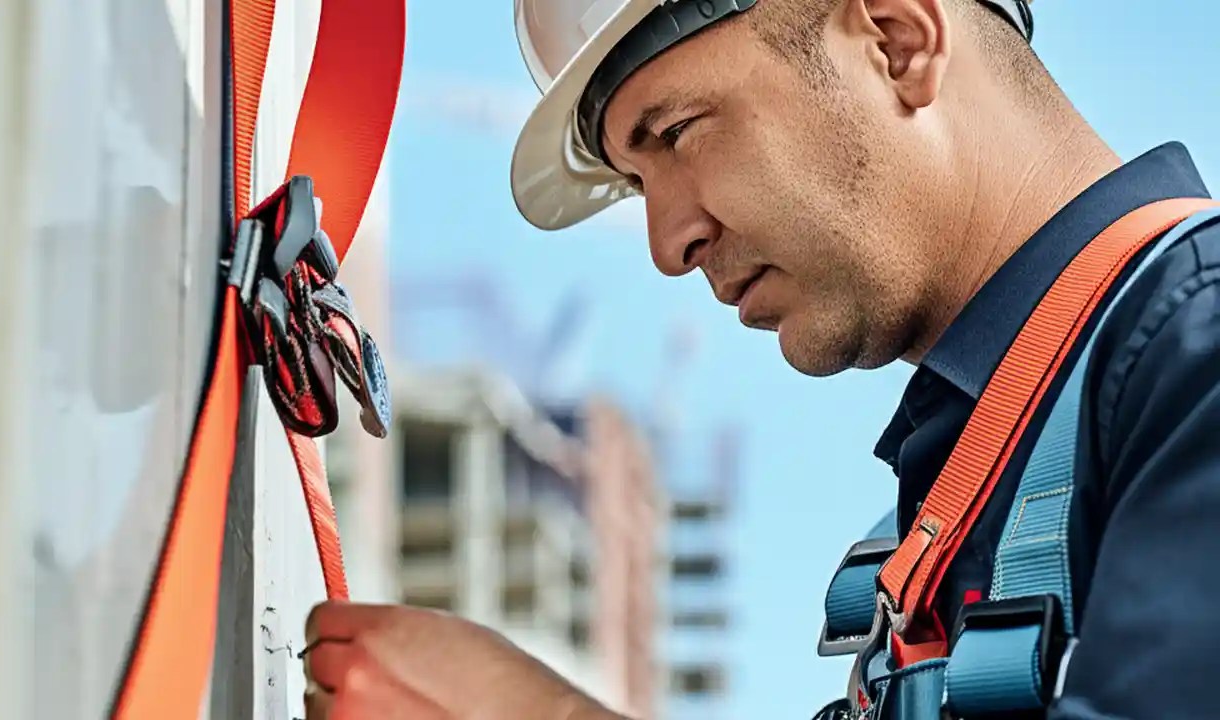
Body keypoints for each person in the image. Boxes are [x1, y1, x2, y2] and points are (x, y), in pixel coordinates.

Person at [302, 0, 1220, 717]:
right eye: (636, 181)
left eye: (677, 132)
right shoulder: (976, 477)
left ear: (897, 41)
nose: (667, 241)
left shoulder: (1195, 346)